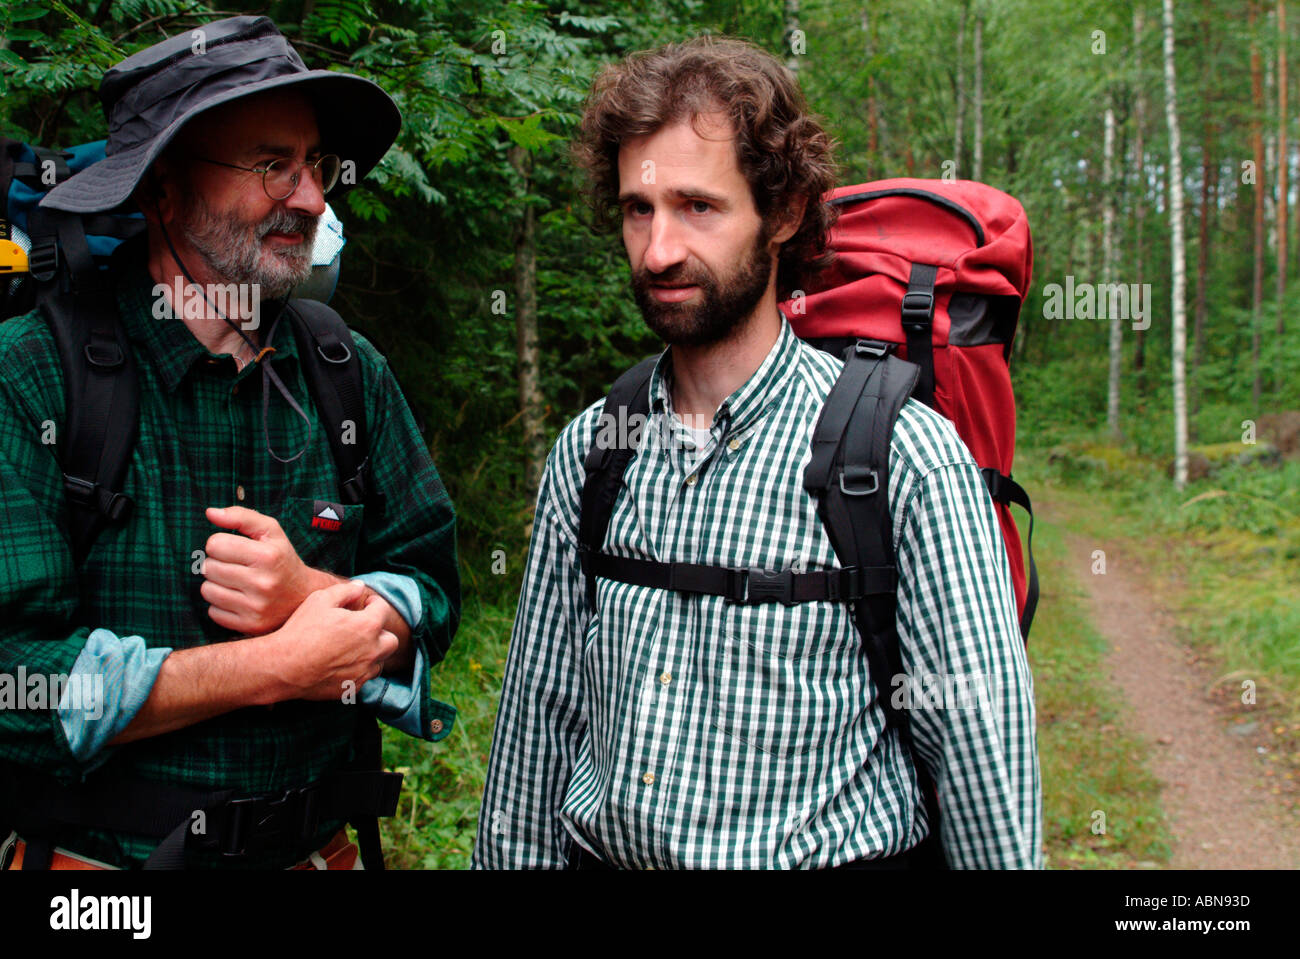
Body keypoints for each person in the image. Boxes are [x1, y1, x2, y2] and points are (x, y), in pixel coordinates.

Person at [473, 36, 1041, 870]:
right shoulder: (593, 452)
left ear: (782, 214)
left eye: (698, 207)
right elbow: (536, 731)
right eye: (639, 209)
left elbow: (980, 759)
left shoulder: (903, 458)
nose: (659, 251)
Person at [0, 16, 459, 870]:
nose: (313, 199)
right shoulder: (31, 378)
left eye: (315, 165)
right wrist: (276, 665)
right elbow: (12, 685)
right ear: (161, 190)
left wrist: (314, 595)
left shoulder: (345, 371)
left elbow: (434, 589)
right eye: (270, 165)